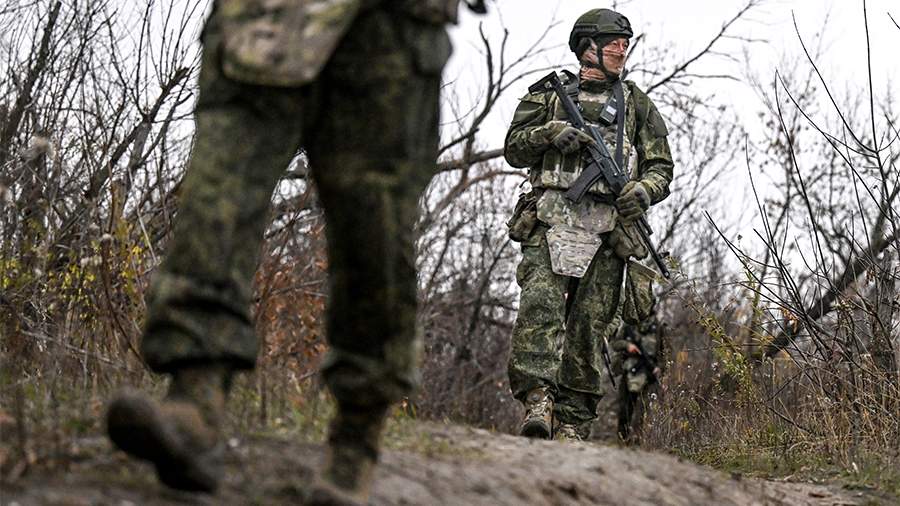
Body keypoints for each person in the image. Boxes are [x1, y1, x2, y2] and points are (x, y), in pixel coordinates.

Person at [104, 1, 482, 504]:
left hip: (389, 31)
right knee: (216, 199)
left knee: (375, 237)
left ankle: (356, 438)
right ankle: (195, 402)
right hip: (263, 19)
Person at [504, 7, 673, 442]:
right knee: (539, 311)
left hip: (607, 230)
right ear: (588, 48)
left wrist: (643, 192)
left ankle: (574, 422)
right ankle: (538, 401)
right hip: (549, 221)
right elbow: (513, 149)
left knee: (589, 326)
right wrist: (548, 134)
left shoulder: (636, 104)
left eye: (624, 43)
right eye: (613, 42)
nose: (622, 50)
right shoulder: (547, 96)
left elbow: (661, 167)